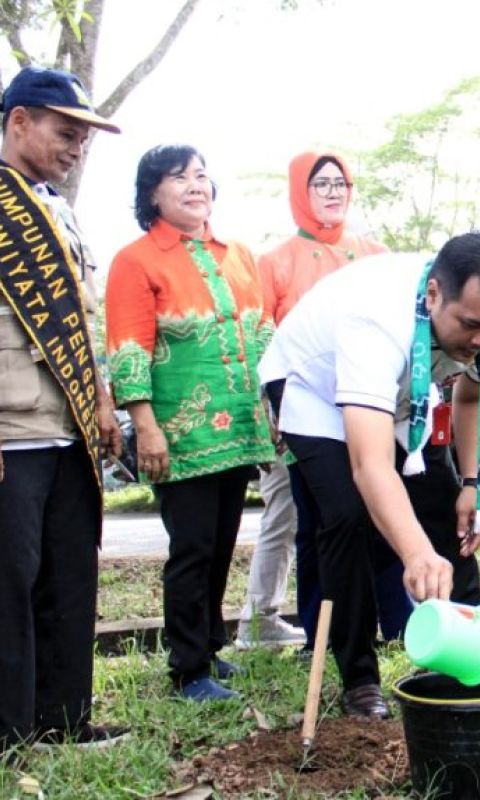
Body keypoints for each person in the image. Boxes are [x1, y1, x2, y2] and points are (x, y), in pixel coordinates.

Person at [257, 232, 480, 718]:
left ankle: (470, 662)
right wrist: (416, 553)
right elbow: (369, 464)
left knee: (444, 507)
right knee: (346, 515)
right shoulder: (375, 319)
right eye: (471, 325)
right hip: (312, 386)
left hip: (397, 393)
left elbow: (467, 396)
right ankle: (359, 678)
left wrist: (471, 484)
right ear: (434, 294)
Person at [106, 145, 275, 702]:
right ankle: (186, 669)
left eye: (201, 174)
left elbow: (263, 334)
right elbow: (128, 348)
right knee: (193, 547)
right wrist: (146, 427)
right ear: (152, 193)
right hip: (180, 434)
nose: (194, 184)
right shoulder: (136, 259)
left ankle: (209, 648)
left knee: (224, 542)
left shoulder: (239, 254)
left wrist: (272, 407)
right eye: (178, 177)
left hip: (239, 428)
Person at [0, 65, 128, 752]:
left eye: (83, 137)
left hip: (68, 428)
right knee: (8, 587)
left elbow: (83, 320)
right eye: (65, 131)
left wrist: (103, 402)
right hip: (10, 427)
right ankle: (9, 732)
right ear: (19, 122)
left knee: (69, 576)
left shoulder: (58, 209)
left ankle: (64, 719)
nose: (77, 146)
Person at [236, 151, 387, 650]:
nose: (332, 192)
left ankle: (373, 620)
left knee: (370, 511)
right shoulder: (274, 261)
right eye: (320, 183)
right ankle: (313, 629)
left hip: (367, 405)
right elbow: (261, 340)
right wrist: (271, 412)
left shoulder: (373, 252)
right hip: (300, 409)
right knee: (308, 516)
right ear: (300, 190)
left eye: (340, 182)